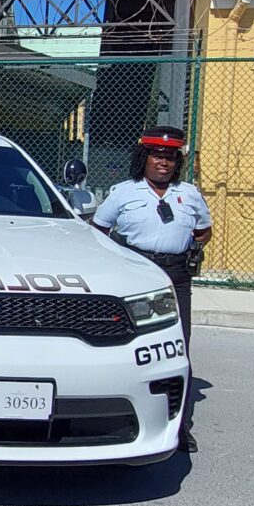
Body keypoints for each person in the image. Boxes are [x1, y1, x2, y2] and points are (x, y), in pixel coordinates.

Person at [93, 125, 212, 453]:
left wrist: (185, 249)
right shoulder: (123, 192)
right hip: (135, 274)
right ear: (143, 157)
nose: (164, 163)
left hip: (176, 276)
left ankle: (179, 427)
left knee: (178, 348)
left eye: (171, 157)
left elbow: (203, 231)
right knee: (136, 347)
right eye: (157, 156)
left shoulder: (189, 194)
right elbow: (98, 231)